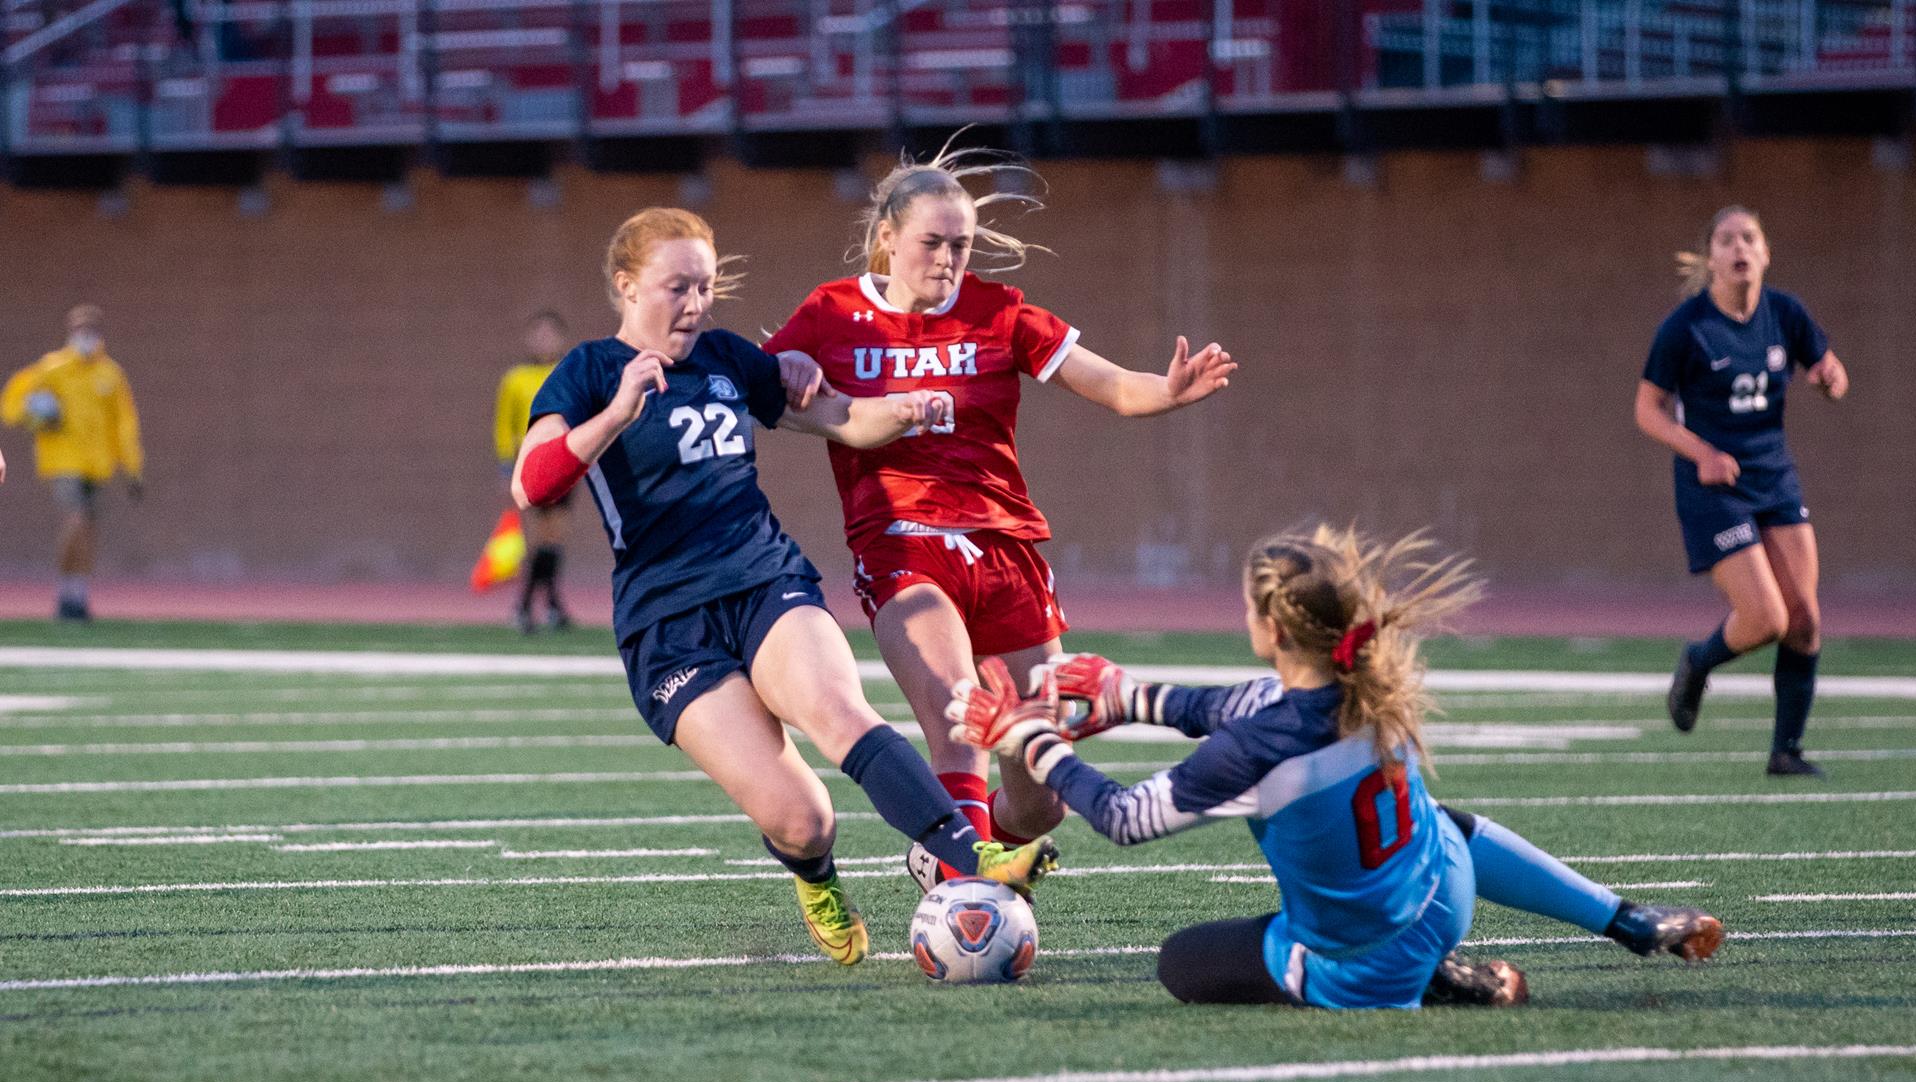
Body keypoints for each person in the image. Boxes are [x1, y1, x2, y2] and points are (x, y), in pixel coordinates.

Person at [512, 206, 1057, 967]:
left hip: (766, 579)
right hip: (667, 623)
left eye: (705, 287)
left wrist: (898, 412)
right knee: (804, 820)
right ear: (627, 286)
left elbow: (837, 420)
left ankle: (973, 855)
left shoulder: (728, 358)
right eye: (678, 287)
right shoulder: (591, 372)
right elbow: (532, 485)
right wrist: (613, 414)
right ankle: (817, 877)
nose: (696, 305)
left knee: (837, 711)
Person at [949, 525, 1723, 1009]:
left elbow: (1122, 819)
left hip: (1365, 964)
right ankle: (1625, 919)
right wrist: (1126, 695)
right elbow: (1225, 703)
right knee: (1442, 825)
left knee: (1181, 965)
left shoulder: (1259, 749)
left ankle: (1436, 983)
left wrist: (1028, 739)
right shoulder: (1361, 684)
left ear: (1271, 628)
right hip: (1441, 896)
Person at [764, 141, 1237, 871]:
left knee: (1040, 791)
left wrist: (1167, 391)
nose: (949, 258)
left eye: (961, 244)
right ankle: (966, 887)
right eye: (933, 242)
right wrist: (788, 368)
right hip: (902, 543)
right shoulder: (833, 314)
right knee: (959, 719)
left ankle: (978, 854)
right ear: (888, 236)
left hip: (1005, 550)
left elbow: (1112, 385)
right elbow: (769, 390)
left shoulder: (1000, 312)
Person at [1636, 206, 1850, 778]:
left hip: (1773, 477)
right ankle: (1698, 663)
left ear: (1765, 253)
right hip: (1713, 487)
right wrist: (1702, 453)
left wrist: (1831, 380)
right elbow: (1646, 410)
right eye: (1727, 240)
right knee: (1765, 618)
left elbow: (1830, 369)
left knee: (1805, 619)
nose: (1739, 248)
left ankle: (1787, 751)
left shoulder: (1786, 314)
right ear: (1712, 258)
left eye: (1749, 238)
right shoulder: (1686, 327)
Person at [1, 305, 144, 622]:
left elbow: (124, 423)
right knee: (76, 519)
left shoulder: (110, 374)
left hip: (98, 463)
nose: (86, 336)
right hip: (63, 459)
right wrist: (35, 417)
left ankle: (78, 595)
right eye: (80, 330)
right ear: (70, 332)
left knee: (89, 529)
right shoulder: (53, 368)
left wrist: (132, 467)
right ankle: (65, 591)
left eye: (91, 330)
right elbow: (12, 403)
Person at [493, 309, 575, 633]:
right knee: (540, 538)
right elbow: (504, 425)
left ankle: (551, 604)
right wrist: (505, 466)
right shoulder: (516, 379)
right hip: (532, 465)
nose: (545, 340)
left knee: (555, 539)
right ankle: (526, 606)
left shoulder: (569, 373)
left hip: (567, 463)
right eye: (538, 333)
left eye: (551, 333)